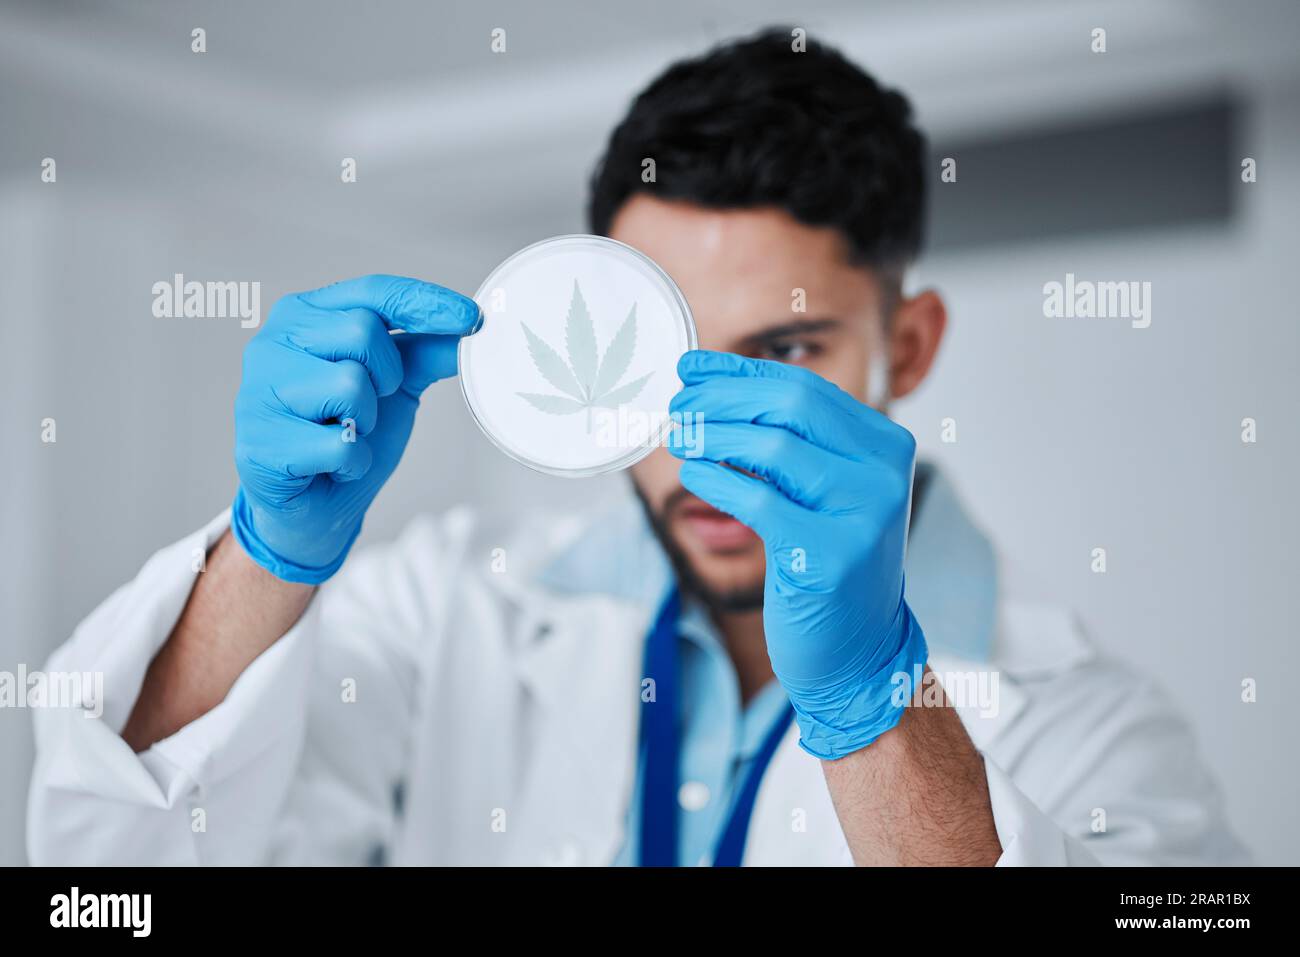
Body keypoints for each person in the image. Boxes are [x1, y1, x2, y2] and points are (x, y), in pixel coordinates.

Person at [28, 29, 1246, 867]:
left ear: (909, 348)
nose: (699, 436)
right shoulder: (449, 609)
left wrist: (879, 705)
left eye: (786, 353)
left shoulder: (1095, 726)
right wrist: (270, 550)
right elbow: (109, 881)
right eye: (662, 365)